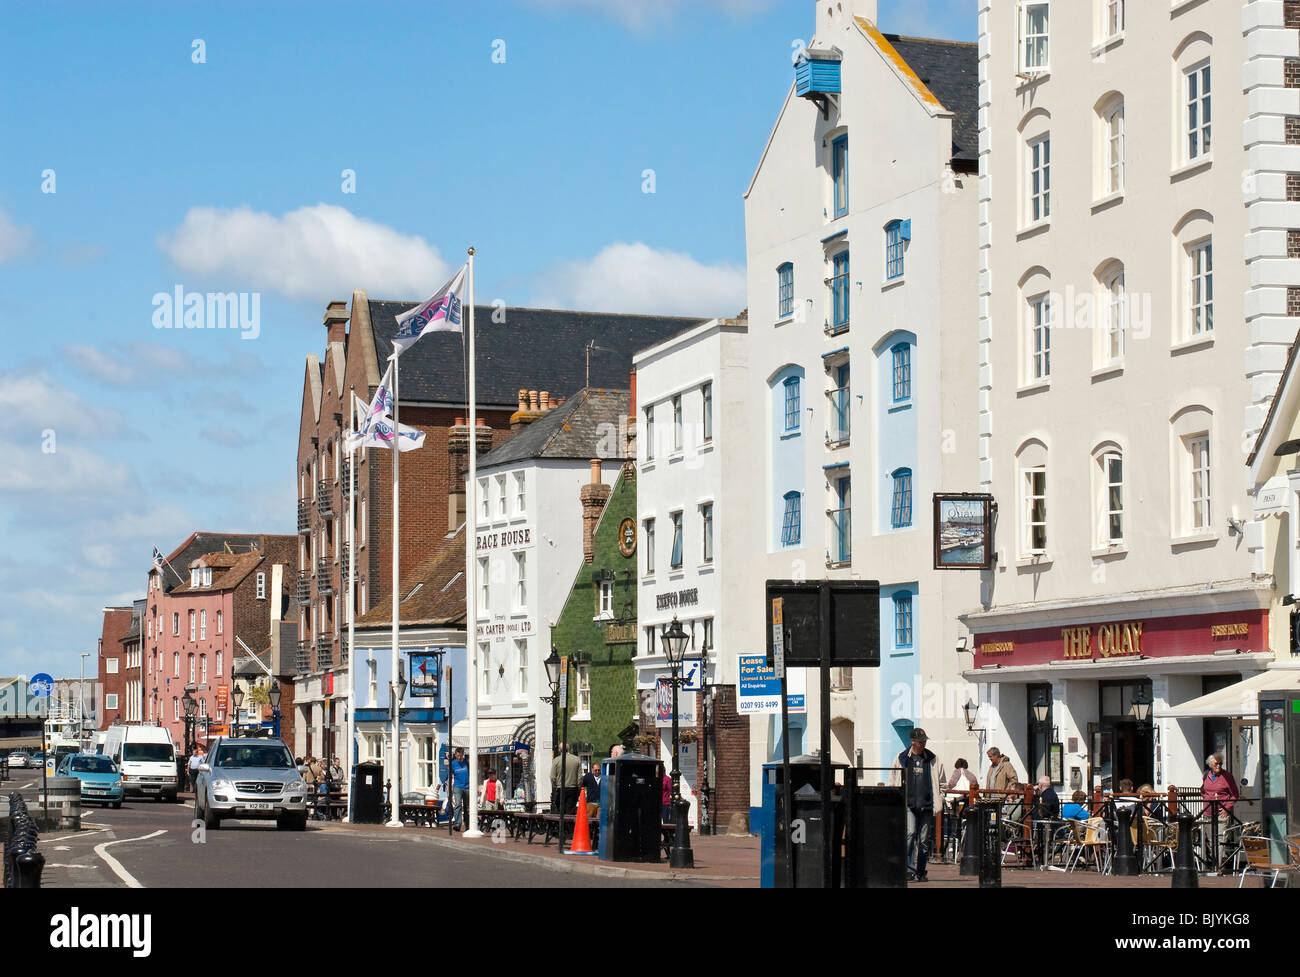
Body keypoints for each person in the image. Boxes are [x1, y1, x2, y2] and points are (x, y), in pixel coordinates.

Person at [890, 727, 943, 883]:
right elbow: (893, 779)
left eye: (925, 741)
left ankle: (920, 871)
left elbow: (942, 781)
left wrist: (940, 798)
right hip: (908, 803)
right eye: (921, 741)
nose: (923, 743)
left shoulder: (932, 758)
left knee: (925, 840)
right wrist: (894, 798)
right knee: (910, 833)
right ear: (913, 742)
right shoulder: (902, 758)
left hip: (927, 804)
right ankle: (908, 868)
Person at [1202, 753, 1239, 825]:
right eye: (1216, 764)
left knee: (1221, 836)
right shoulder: (1206, 775)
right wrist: (1206, 801)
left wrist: (1227, 808)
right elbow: (1203, 791)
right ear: (1210, 764)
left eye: (1220, 764)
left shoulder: (1227, 776)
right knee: (1209, 836)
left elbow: (1235, 794)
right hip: (1208, 813)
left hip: (1222, 815)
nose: (1219, 766)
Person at [550, 746, 581, 815]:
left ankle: (562, 825)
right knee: (570, 811)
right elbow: (579, 777)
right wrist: (578, 787)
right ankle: (569, 825)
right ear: (569, 749)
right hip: (573, 788)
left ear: (559, 750)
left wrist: (555, 786)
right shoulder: (576, 760)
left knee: (560, 811)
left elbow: (552, 777)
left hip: (560, 788)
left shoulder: (556, 760)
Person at [450, 748, 470, 830]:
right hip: (457, 787)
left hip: (467, 786)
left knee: (466, 806)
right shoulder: (453, 763)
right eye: (457, 755)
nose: (459, 757)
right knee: (458, 804)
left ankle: (467, 825)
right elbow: (449, 775)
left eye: (460, 755)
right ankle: (458, 824)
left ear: (463, 754)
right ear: (455, 755)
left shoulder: (467, 762)